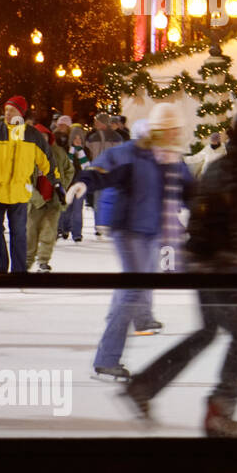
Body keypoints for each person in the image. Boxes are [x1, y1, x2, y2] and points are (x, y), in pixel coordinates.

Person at [122, 113, 237, 437]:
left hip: (203, 265)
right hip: (221, 270)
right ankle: (220, 408)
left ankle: (144, 386)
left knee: (208, 331)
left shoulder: (222, 167)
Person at [67, 104, 192, 381]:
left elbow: (191, 193)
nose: (175, 135)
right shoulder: (134, 153)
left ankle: (119, 338)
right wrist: (84, 182)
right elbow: (104, 168)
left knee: (133, 288)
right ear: (159, 130)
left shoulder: (173, 159)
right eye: (170, 130)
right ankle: (107, 360)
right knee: (133, 290)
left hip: (153, 231)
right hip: (128, 229)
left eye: (177, 130)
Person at [0, 96, 50, 273]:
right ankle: (0, 268)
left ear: (20, 112)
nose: (7, 113)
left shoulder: (31, 135)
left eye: (11, 110)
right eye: (5, 110)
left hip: (18, 192)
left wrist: (56, 183)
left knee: (19, 233)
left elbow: (47, 161)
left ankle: (19, 272)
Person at [25, 124, 74, 272]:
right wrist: (36, 199)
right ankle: (26, 261)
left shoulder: (57, 152)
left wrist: (61, 186)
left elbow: (69, 169)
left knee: (49, 232)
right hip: (34, 203)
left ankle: (43, 261)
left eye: (44, 137)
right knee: (30, 234)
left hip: (53, 201)